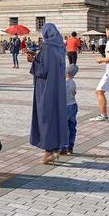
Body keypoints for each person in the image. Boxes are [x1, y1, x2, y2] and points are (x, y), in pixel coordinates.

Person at [25, 23, 69, 164]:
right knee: (56, 115)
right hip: (58, 87)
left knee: (46, 116)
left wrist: (33, 60)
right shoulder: (60, 47)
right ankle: (56, 149)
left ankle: (49, 151)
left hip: (45, 88)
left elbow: (43, 70)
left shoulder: (47, 47)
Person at [63, 64, 79, 155]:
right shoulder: (72, 82)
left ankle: (63, 146)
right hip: (72, 105)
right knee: (72, 126)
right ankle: (70, 146)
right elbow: (74, 93)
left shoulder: (62, 82)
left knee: (64, 127)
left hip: (65, 107)